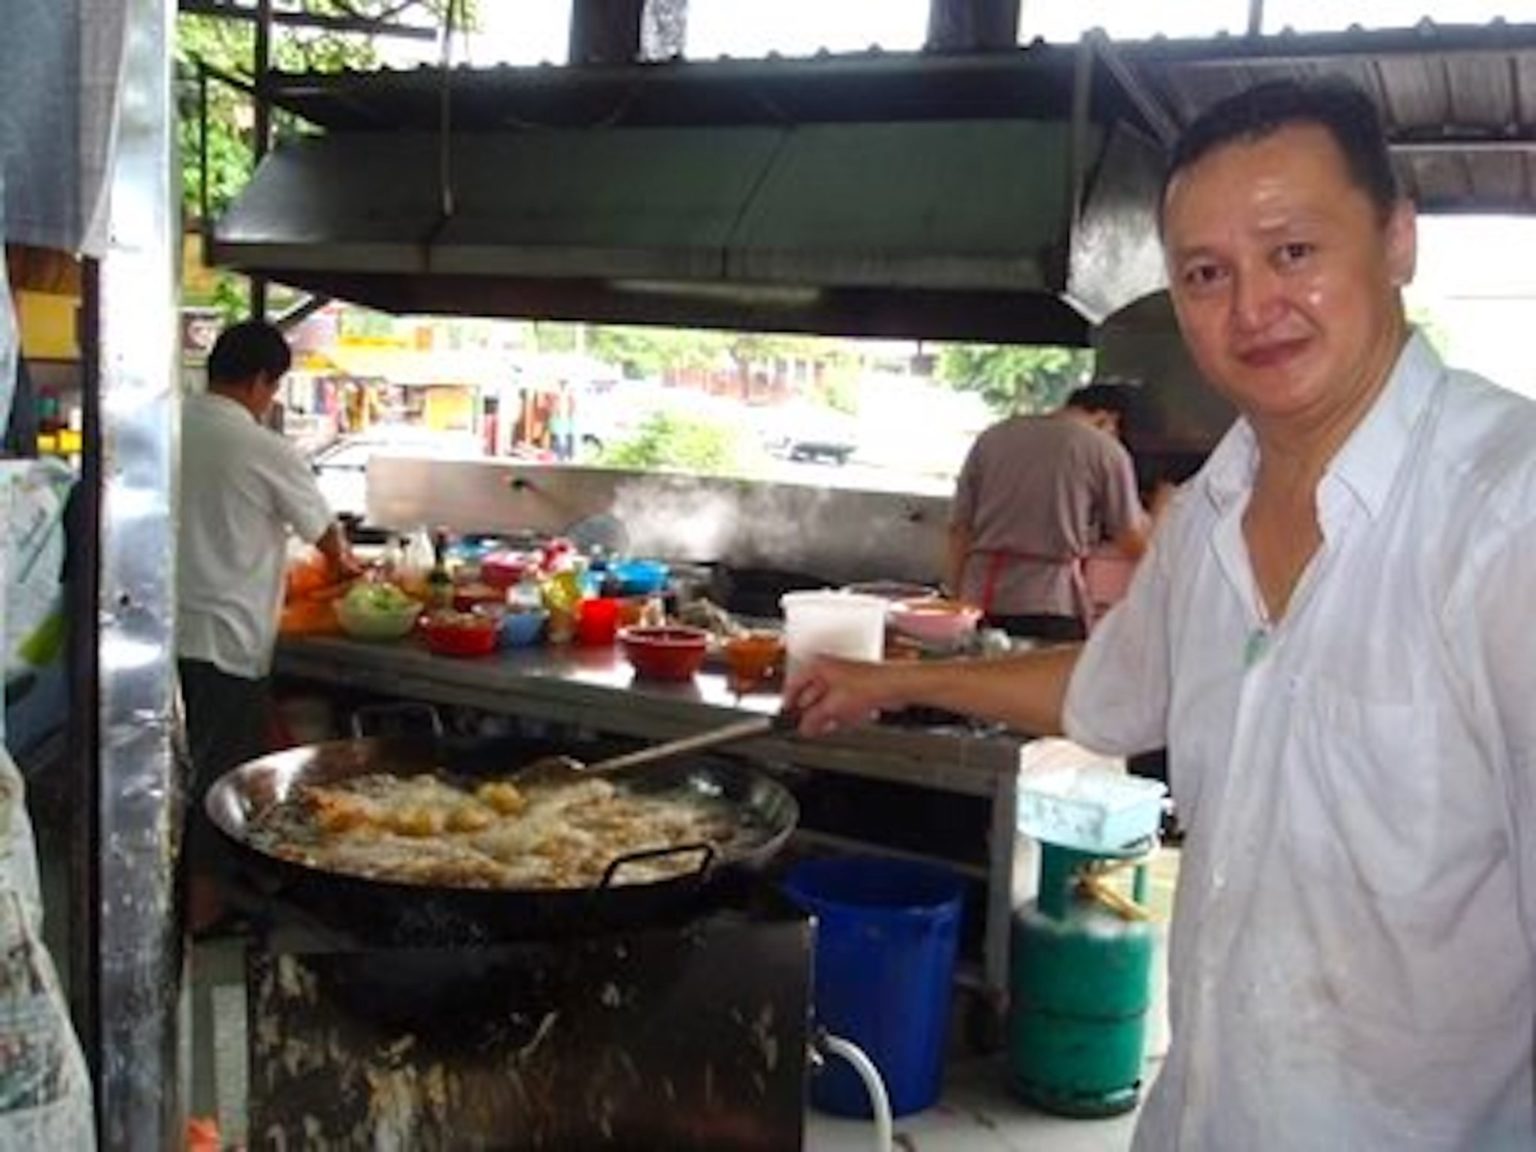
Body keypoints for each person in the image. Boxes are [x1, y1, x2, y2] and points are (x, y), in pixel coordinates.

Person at [785, 78, 1536, 1150]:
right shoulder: (1210, 512)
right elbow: (1109, 693)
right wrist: (892, 679)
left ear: (1398, 239)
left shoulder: (1507, 511)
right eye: (1205, 273)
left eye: (1293, 252)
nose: (1250, 309)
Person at [177, 320, 359, 895]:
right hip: (225, 638)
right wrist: (347, 569)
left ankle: (173, 896)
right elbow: (325, 532)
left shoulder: (165, 427)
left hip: (156, 632)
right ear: (261, 381)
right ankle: (204, 909)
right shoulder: (260, 446)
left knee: (165, 775)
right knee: (216, 778)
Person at [947, 382, 1150, 640]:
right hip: (1050, 604)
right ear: (1108, 419)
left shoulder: (993, 436)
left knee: (979, 676)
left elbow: (959, 529)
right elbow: (1130, 537)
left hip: (979, 596)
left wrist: (954, 596)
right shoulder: (1105, 449)